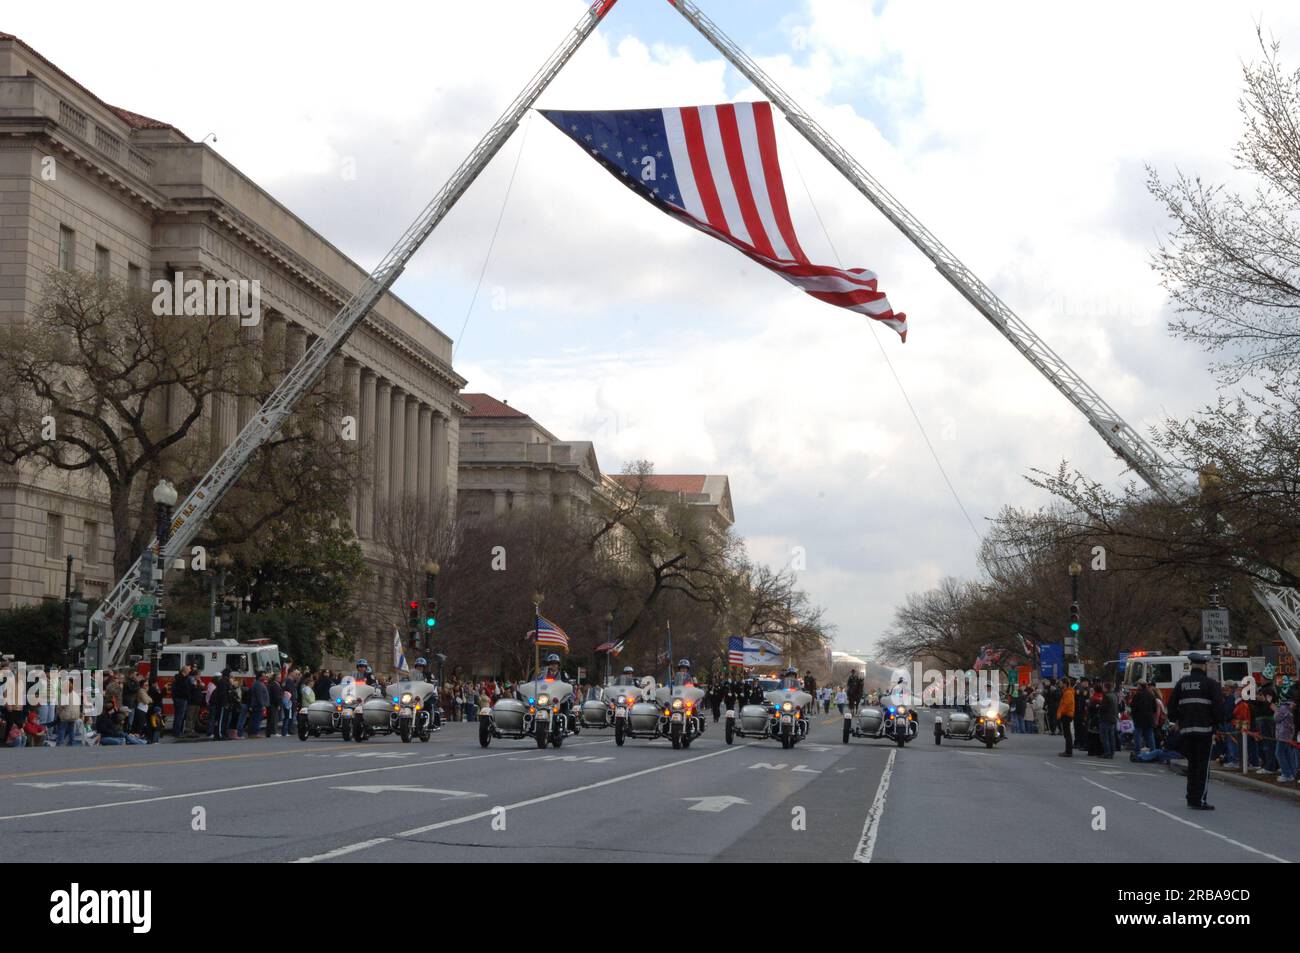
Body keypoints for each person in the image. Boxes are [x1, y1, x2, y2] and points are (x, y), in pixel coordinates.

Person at [1169, 652, 1220, 810]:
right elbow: (1218, 709)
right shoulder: (1210, 684)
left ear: (1191, 665)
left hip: (1187, 732)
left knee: (1192, 766)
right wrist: (1215, 725)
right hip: (1204, 732)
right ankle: (1200, 800)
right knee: (1203, 767)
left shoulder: (1182, 683)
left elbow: (1171, 707)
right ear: (1204, 666)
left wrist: (1179, 720)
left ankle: (1191, 797)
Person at [1130, 681, 1157, 752]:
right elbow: (1155, 708)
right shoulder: (1151, 695)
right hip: (1149, 718)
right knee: (1150, 735)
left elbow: (1133, 706)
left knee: (1138, 734)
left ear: (1140, 686)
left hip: (1139, 718)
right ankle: (1153, 751)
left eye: (1138, 685)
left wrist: (1133, 714)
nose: (1137, 686)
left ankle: (1137, 750)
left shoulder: (1138, 694)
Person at [1056, 676, 1075, 756]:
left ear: (1065, 684)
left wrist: (1060, 713)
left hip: (1067, 714)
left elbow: (1066, 705)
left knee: (1067, 734)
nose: (1060, 685)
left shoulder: (1068, 693)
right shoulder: (1066, 692)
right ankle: (1068, 750)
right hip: (1066, 714)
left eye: (1061, 683)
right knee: (1067, 733)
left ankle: (1068, 751)